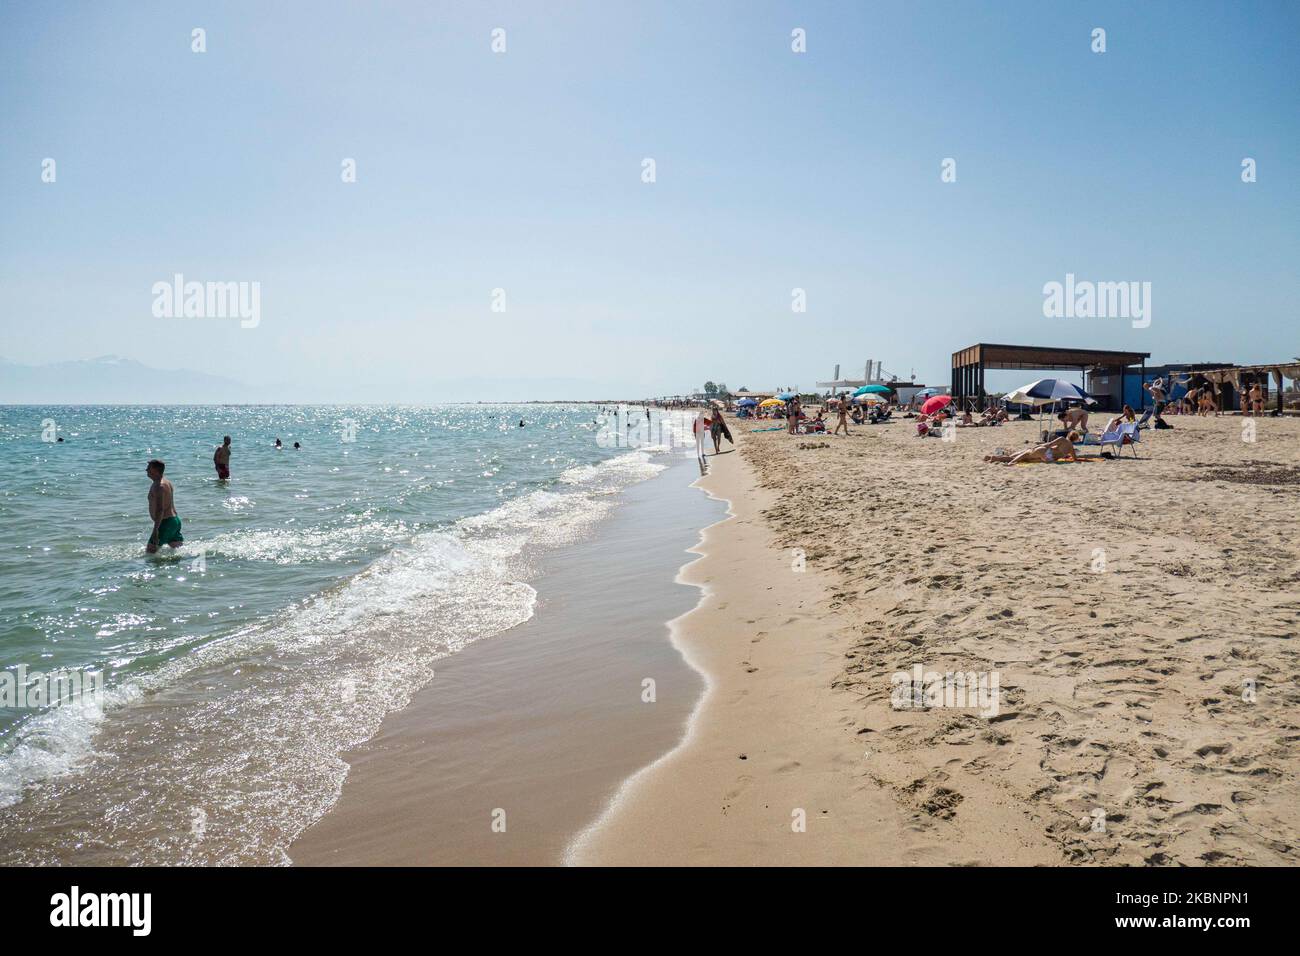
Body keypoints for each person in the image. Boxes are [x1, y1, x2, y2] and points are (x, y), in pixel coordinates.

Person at [145, 459, 183, 553]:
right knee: (177, 553)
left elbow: (160, 509)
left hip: (166, 522)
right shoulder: (166, 482)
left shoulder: (159, 486)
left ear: (155, 470)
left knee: (150, 554)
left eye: (148, 468)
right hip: (174, 521)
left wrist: (155, 530)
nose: (146, 470)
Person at [984, 433, 1080, 465]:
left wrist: (1037, 447)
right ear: (1075, 440)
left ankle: (999, 459)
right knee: (1025, 457)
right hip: (1048, 458)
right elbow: (1075, 459)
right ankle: (996, 458)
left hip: (1045, 452)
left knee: (1025, 454)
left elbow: (1049, 444)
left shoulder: (1062, 439)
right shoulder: (1071, 448)